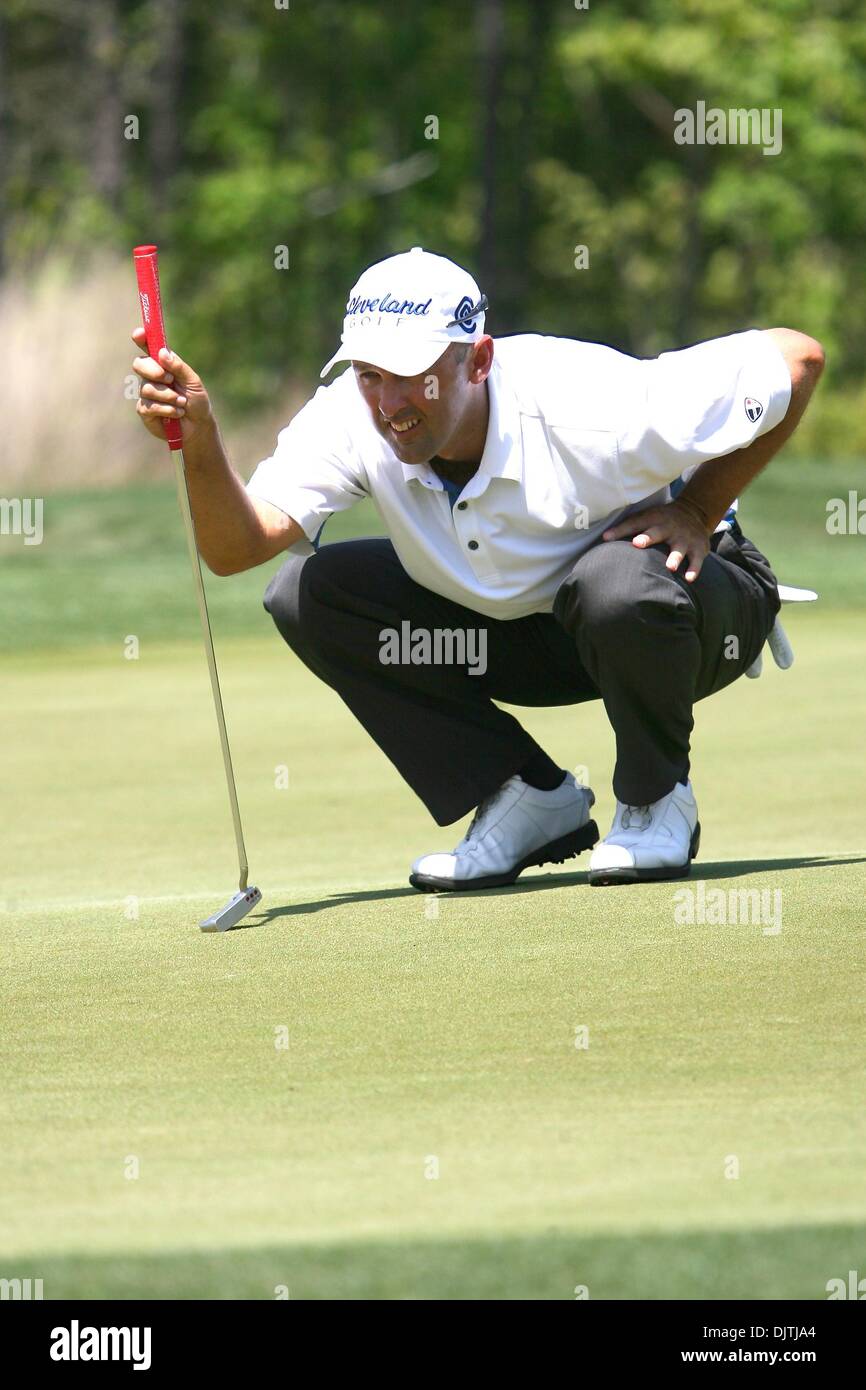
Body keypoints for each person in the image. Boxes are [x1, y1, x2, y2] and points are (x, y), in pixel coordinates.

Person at [131, 247, 824, 890]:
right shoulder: (353, 413)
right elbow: (235, 549)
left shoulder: (589, 401)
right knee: (307, 594)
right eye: (371, 376)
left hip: (683, 602)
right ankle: (524, 797)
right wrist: (200, 439)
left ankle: (655, 798)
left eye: (414, 377)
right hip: (530, 632)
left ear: (479, 360)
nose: (390, 404)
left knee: (615, 587)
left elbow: (798, 359)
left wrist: (700, 509)